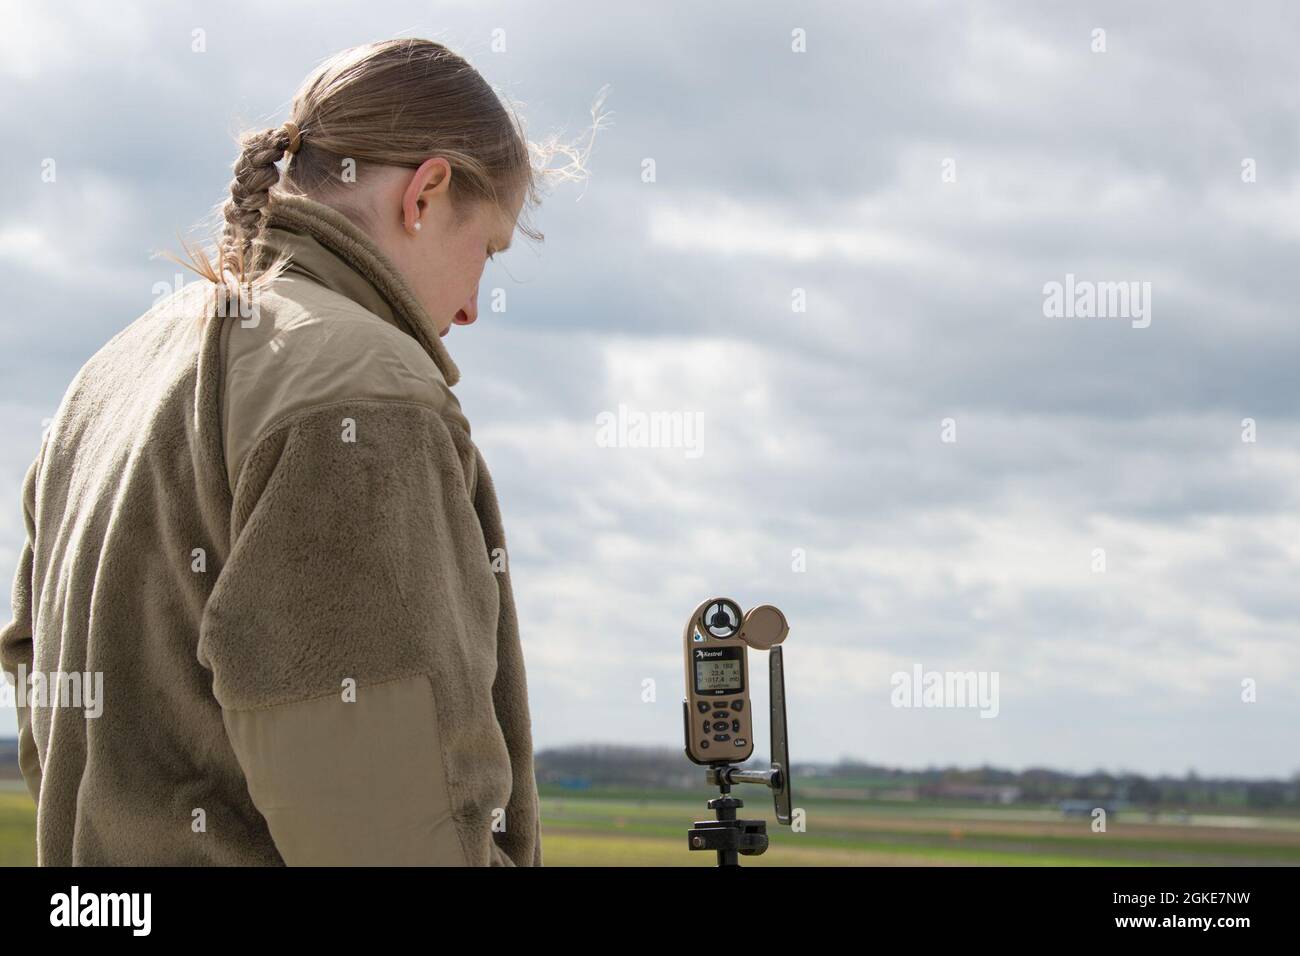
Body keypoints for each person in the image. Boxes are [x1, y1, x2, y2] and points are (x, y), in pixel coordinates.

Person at [0, 38, 583, 865]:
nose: (472, 309)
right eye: (485, 251)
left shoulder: (109, 375)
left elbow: (40, 684)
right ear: (427, 192)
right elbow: (387, 827)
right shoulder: (361, 390)